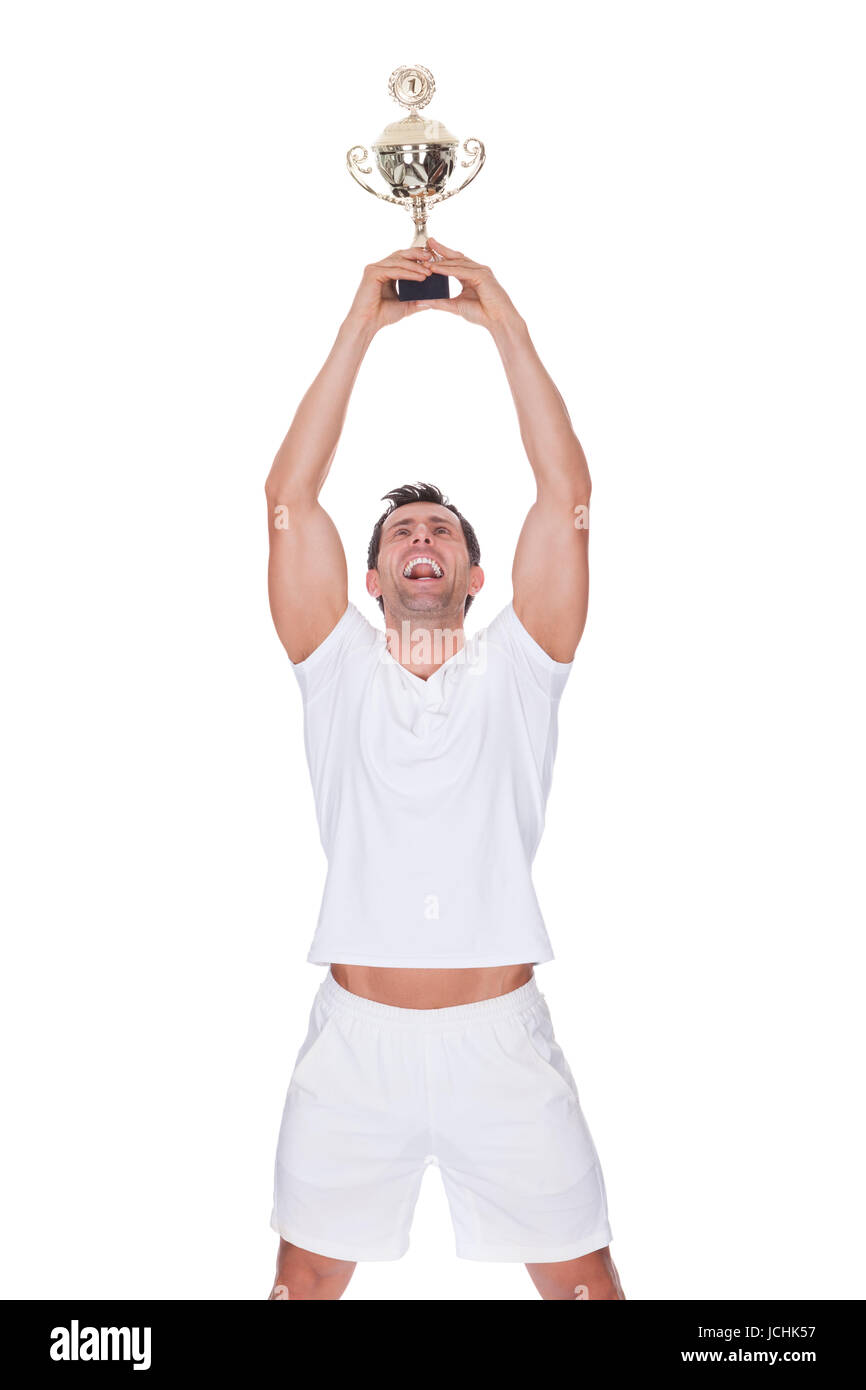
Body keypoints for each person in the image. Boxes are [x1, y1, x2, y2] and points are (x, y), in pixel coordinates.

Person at [264, 238, 624, 1301]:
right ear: (371, 576)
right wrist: (358, 327)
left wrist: (500, 316)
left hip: (496, 1046)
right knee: (301, 1281)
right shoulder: (334, 670)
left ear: (473, 571)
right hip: (355, 1047)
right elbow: (289, 496)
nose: (420, 538)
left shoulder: (521, 669)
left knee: (585, 1286)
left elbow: (565, 494)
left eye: (440, 530)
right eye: (401, 532)